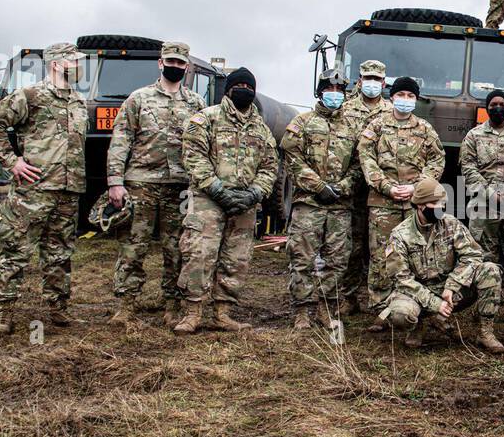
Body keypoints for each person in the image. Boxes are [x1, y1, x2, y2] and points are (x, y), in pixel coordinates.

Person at [0, 41, 89, 333]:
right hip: (33, 191)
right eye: (74, 61)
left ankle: (58, 307)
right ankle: (3, 311)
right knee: (17, 250)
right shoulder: (29, 96)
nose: (80, 66)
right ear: (56, 64)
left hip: (68, 192)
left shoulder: (79, 101)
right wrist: (11, 161)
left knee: (60, 253)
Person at [104, 40, 204, 326]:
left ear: (187, 67)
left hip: (179, 187)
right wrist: (115, 182)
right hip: (141, 183)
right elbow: (121, 140)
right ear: (160, 63)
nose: (174, 67)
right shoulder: (138, 99)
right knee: (134, 247)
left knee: (177, 248)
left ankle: (172, 303)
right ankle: (126, 304)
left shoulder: (195, 103)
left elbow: (200, 145)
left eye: (179, 64)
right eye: (169, 62)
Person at [174, 67, 278, 334]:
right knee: (199, 254)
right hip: (207, 199)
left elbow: (270, 167)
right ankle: (192, 312)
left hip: (245, 202)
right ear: (228, 90)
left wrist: (255, 193)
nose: (244, 89)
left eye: (249, 86)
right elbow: (194, 157)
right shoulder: (205, 119)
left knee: (236, 258)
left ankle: (223, 313)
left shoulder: (262, 129)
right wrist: (218, 190)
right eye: (239, 85)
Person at [379, 176, 504, 353]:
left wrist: (453, 286)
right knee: (400, 314)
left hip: (449, 291)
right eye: (436, 204)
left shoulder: (451, 224)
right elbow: (402, 280)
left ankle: (485, 333)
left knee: (490, 270)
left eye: (442, 203)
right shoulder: (400, 235)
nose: (441, 208)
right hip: (417, 294)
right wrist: (434, 304)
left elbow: (473, 255)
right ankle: (417, 326)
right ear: (421, 205)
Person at [357, 76, 445, 328]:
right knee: (382, 255)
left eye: (410, 96)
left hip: (415, 203)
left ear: (415, 100)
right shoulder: (376, 126)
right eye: (401, 95)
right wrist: (386, 186)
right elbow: (366, 158)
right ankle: (382, 310)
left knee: (419, 255)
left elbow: (437, 161)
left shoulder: (425, 129)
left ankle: (421, 309)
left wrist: (417, 187)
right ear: (392, 97)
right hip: (383, 202)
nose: (405, 100)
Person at [281, 73, 360, 330]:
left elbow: (360, 164)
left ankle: (327, 308)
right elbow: (292, 157)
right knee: (302, 257)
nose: (334, 92)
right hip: (309, 203)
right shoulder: (302, 122)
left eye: (339, 88)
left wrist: (343, 186)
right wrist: (318, 186)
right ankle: (303, 310)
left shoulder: (352, 127)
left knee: (337, 260)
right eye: (329, 88)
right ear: (320, 92)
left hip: (340, 206)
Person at [460, 87, 504, 294]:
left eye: (502, 105)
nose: (498, 108)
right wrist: (489, 193)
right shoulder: (474, 135)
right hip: (483, 204)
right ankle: (484, 299)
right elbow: (468, 167)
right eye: (494, 105)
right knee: (483, 254)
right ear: (487, 108)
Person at [339, 60, 391, 314]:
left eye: (377, 79)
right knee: (350, 244)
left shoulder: (392, 113)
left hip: (380, 190)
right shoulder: (344, 109)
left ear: (384, 83)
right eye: (367, 78)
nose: (372, 83)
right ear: (359, 81)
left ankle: (379, 301)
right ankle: (348, 297)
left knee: (380, 247)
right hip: (350, 188)